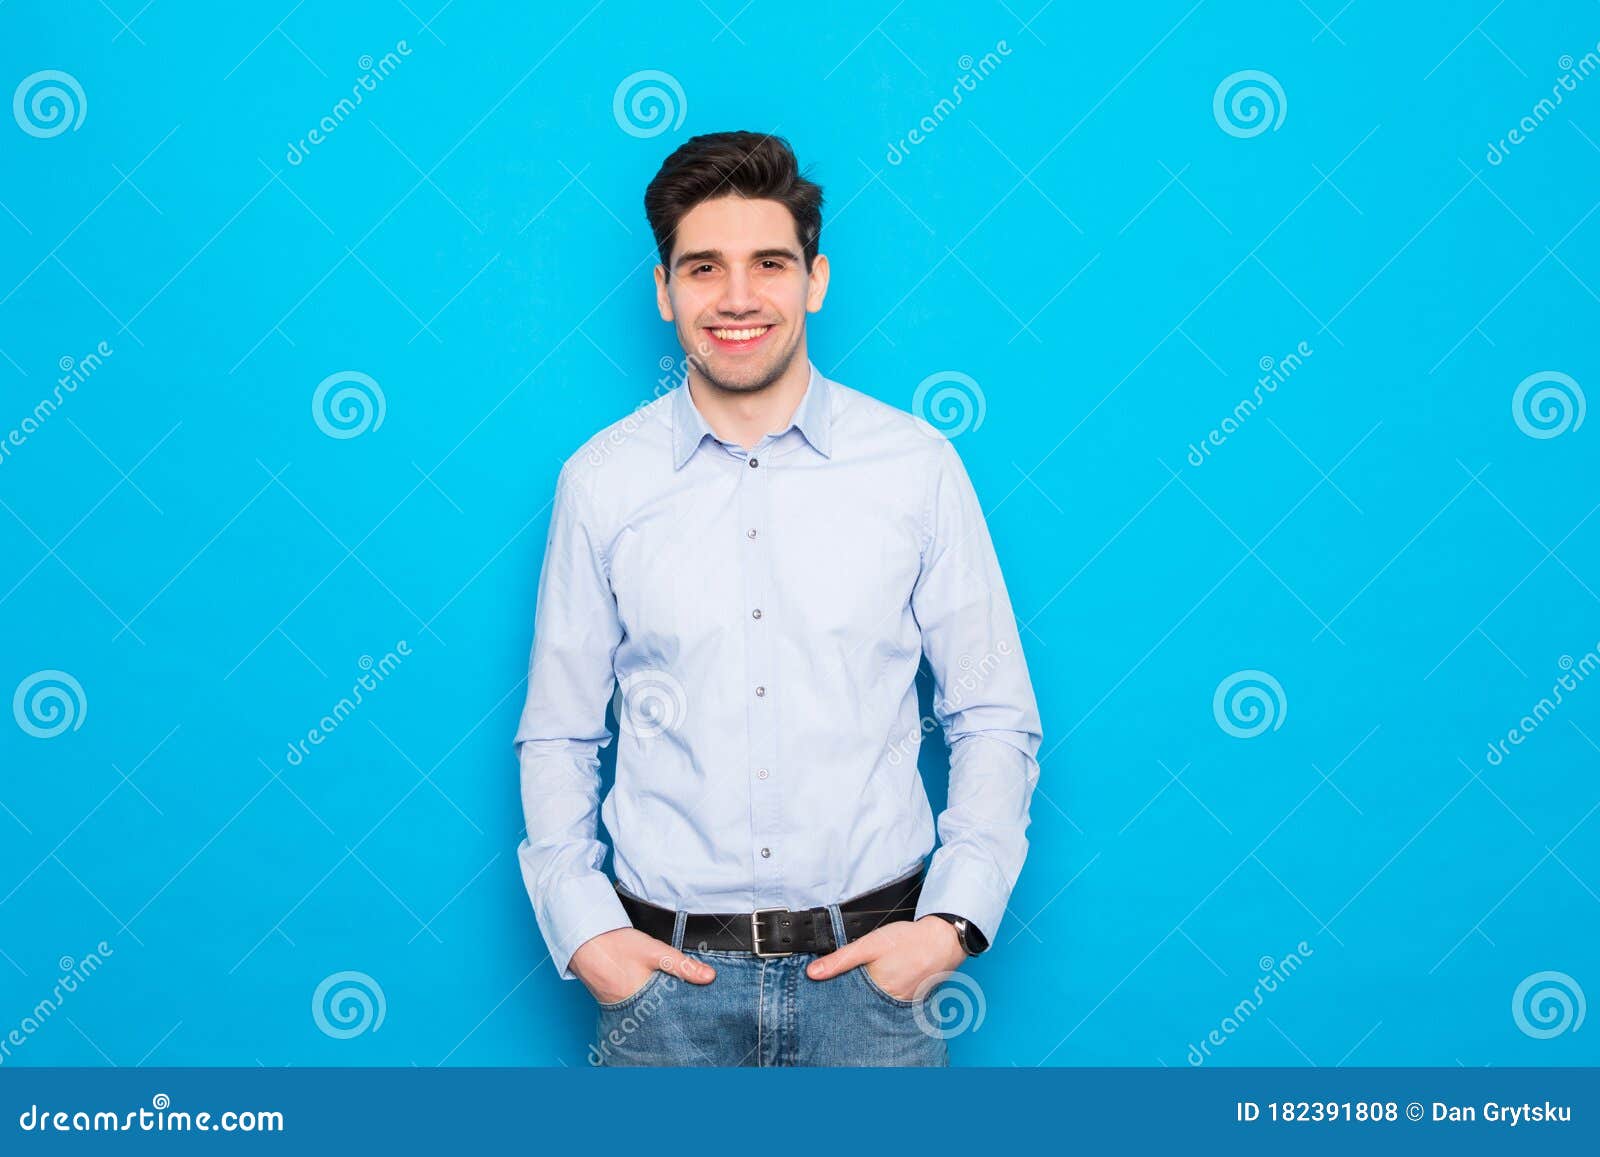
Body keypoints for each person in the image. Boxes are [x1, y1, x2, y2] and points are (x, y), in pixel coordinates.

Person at [513, 130, 1043, 1066]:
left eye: (769, 262)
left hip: (872, 995)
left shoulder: (915, 467)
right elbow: (560, 730)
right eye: (703, 266)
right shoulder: (600, 482)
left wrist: (953, 921)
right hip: (661, 999)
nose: (739, 297)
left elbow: (993, 710)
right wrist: (584, 930)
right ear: (664, 289)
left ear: (815, 279)